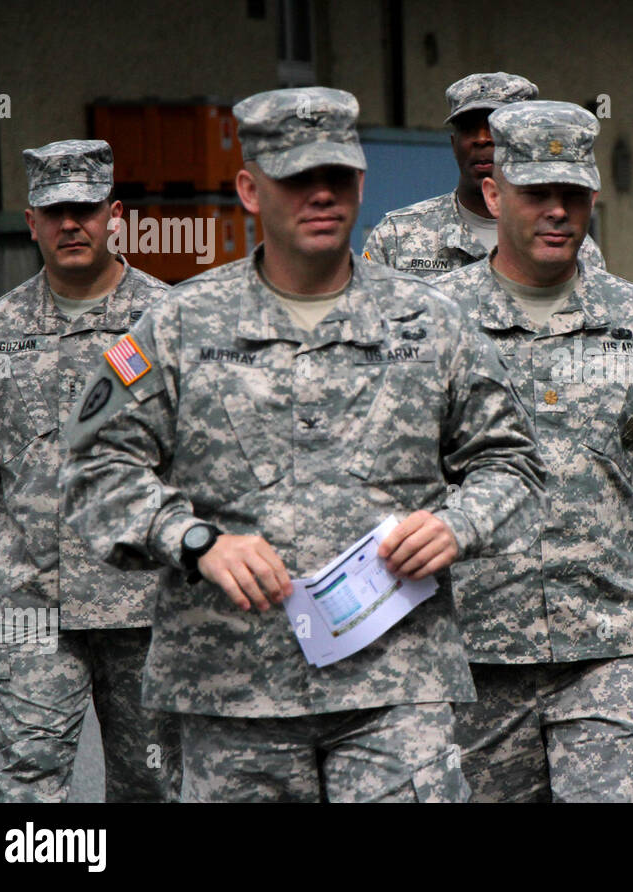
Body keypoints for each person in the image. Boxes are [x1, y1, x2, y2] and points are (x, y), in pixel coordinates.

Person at [60, 87, 547, 803]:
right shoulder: (181, 324)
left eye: (337, 176)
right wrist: (193, 540)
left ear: (361, 185)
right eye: (297, 178)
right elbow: (94, 467)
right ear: (250, 190)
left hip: (396, 685)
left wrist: (458, 525)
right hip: (233, 689)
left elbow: (514, 463)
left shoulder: (432, 322)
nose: (321, 195)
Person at [433, 100, 633, 802]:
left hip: (611, 651)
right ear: (493, 195)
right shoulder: (432, 325)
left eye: (572, 194)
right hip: (472, 655)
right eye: (536, 193)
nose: (557, 212)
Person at [0, 139, 179, 802]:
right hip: (31, 604)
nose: (71, 224)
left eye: (85, 209)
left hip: (145, 606)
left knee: (152, 785)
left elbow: (211, 462)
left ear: (116, 215)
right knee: (28, 783)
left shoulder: (168, 322)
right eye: (54, 212)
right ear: (31, 222)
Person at [362, 71, 604, 273]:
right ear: (453, 144)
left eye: (494, 128)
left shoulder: (572, 246)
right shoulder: (397, 236)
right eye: (468, 128)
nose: (481, 139)